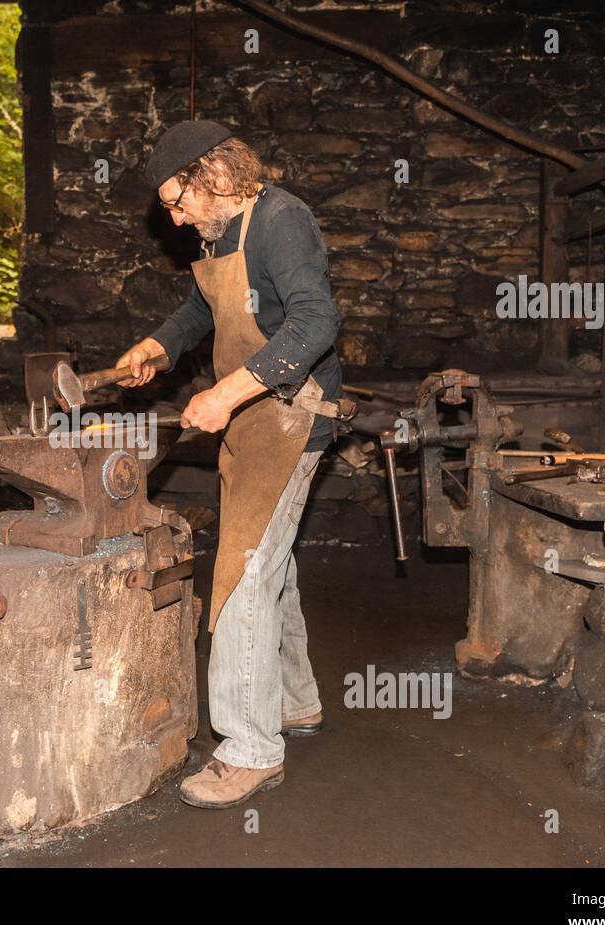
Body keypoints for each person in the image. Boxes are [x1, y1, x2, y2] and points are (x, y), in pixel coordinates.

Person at [115, 119, 342, 808]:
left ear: (212, 173)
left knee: (241, 571)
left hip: (290, 414)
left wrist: (227, 390)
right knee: (271, 562)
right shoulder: (221, 235)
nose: (177, 220)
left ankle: (249, 747)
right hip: (252, 419)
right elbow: (201, 308)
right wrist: (158, 345)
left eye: (178, 202)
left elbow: (315, 324)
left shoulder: (282, 221)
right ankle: (295, 700)